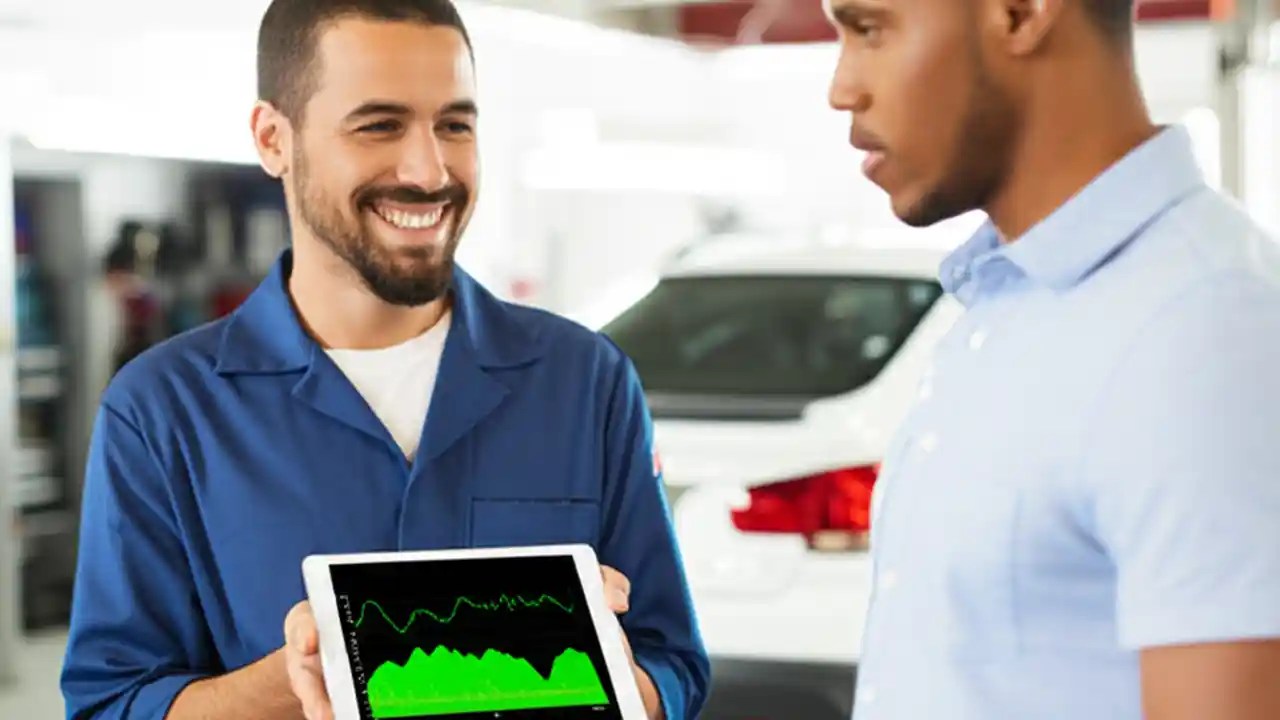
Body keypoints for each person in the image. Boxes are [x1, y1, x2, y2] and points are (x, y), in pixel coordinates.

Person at [59, 1, 709, 718]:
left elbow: (671, 666)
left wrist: (612, 679)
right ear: (275, 139)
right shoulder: (163, 409)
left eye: (455, 125)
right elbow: (112, 703)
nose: (429, 170)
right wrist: (311, 669)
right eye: (380, 125)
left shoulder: (584, 381)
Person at [825, 0, 1280, 718]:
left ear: (1021, 11)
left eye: (870, 29)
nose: (842, 88)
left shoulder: (1206, 324)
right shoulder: (1004, 302)